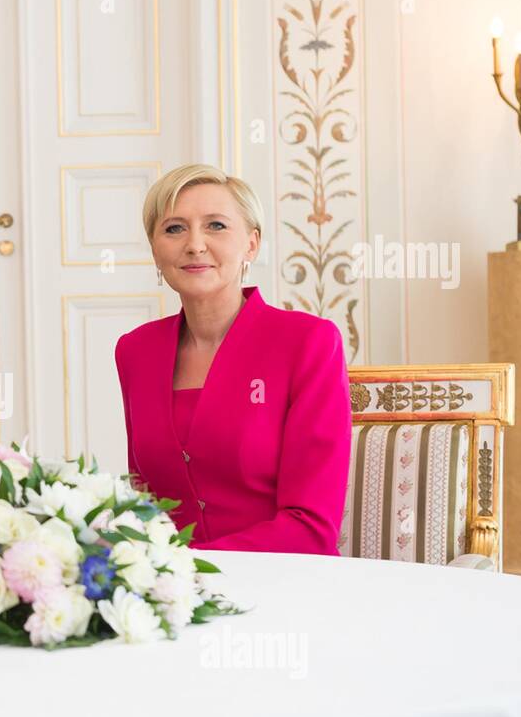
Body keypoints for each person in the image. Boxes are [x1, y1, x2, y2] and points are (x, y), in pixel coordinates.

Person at [114, 163, 350, 554]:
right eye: (174, 228)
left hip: (285, 584)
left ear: (252, 244)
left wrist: (188, 564)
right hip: (171, 595)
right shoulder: (135, 350)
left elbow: (311, 527)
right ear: (155, 249)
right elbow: (145, 500)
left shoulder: (309, 343)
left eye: (216, 226)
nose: (194, 244)